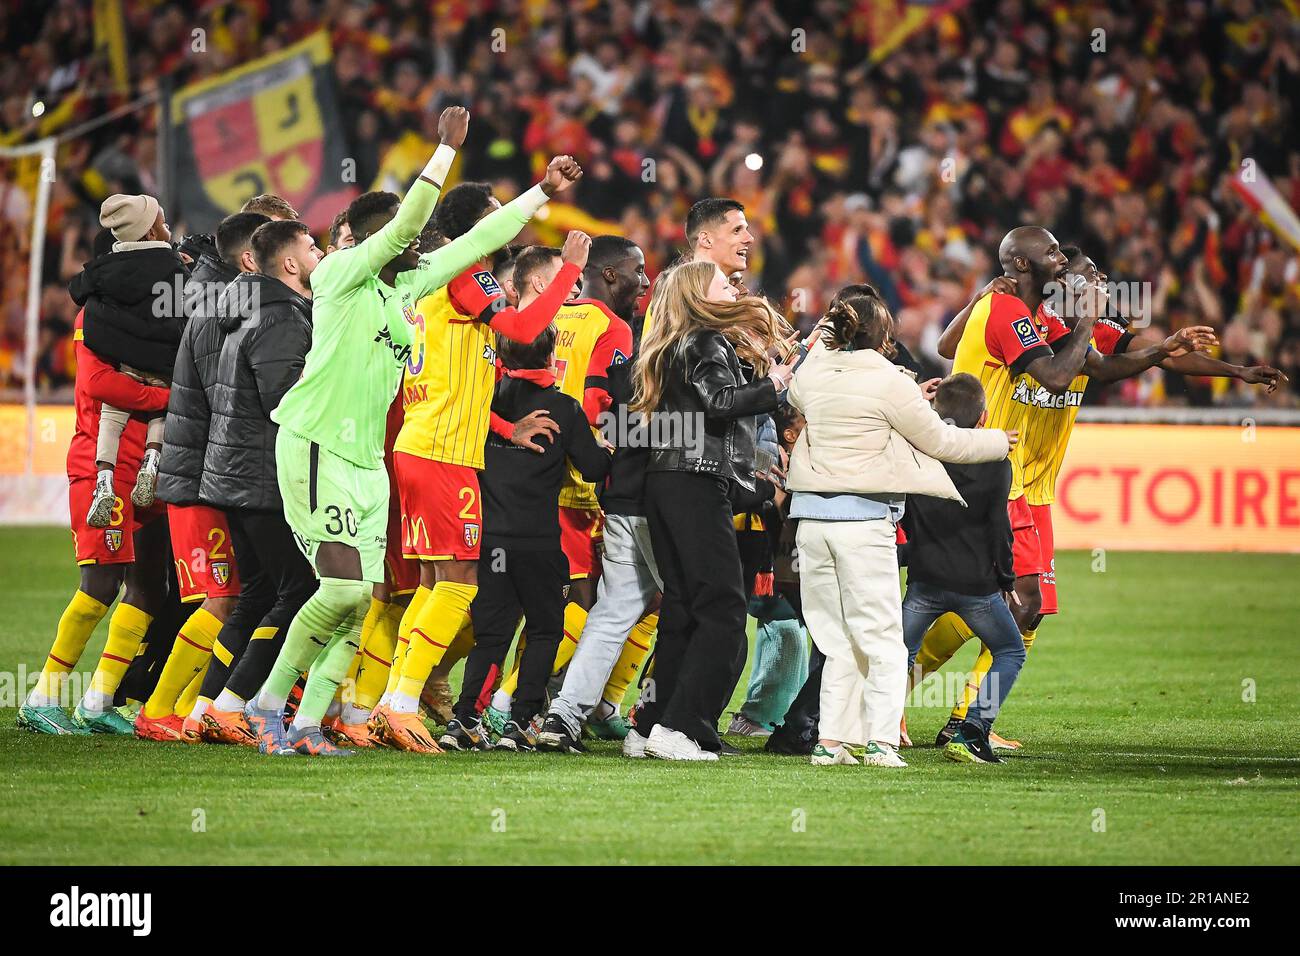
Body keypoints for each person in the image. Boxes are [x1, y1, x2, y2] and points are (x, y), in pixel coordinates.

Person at [248, 107, 578, 757]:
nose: (422, 244)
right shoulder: (338, 277)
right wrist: (444, 152)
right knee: (342, 589)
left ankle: (311, 723)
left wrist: (542, 193)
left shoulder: (406, 291)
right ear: (385, 240)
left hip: (370, 459)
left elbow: (477, 244)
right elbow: (408, 225)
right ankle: (265, 704)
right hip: (318, 444)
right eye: (409, 236)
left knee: (357, 602)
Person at [919, 240, 1222, 748]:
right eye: (1080, 272)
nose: (1094, 281)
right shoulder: (1019, 317)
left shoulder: (1069, 329)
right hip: (999, 475)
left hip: (1035, 488)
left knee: (1023, 609)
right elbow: (1055, 375)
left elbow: (1117, 363)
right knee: (1000, 603)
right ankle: (952, 717)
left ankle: (964, 718)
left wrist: (1227, 369)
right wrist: (983, 298)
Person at [371, 174, 586, 755]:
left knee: (434, 583)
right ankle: (399, 701)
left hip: (423, 444)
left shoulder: (433, 280)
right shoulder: (466, 274)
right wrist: (567, 269)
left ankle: (394, 699)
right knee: (460, 584)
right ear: (475, 227)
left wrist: (504, 426)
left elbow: (458, 374)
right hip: (441, 454)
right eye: (498, 214)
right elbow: (519, 328)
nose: (508, 224)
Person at [785, 288, 1013, 768]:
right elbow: (944, 442)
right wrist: (997, 441)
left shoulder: (812, 373)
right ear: (884, 335)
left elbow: (804, 382)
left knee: (835, 639)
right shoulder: (892, 382)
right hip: (863, 523)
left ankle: (831, 742)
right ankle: (881, 742)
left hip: (811, 523)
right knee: (884, 639)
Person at [624, 259, 795, 761]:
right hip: (697, 482)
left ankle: (651, 724)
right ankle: (683, 728)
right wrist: (775, 384)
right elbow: (720, 400)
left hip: (669, 480)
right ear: (701, 295)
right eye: (723, 283)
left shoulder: (674, 343)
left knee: (682, 608)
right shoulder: (704, 340)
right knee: (721, 609)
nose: (732, 286)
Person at [478, 237, 645, 736]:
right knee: (584, 604)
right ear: (611, 275)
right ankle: (516, 702)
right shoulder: (612, 328)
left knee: (516, 598)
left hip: (523, 478)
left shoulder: (541, 316)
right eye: (638, 270)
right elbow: (598, 402)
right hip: (580, 476)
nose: (645, 282)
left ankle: (494, 699)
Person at [17, 227, 173, 735]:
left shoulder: (150, 321)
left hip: (148, 468)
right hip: (101, 465)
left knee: (147, 584)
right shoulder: (96, 317)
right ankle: (41, 697)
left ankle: (98, 700)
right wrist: (168, 400)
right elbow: (98, 383)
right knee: (100, 583)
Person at [439, 324, 612, 751]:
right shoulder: (563, 409)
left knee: (492, 633)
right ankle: (522, 721)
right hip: (537, 542)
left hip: (490, 539)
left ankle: (463, 721)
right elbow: (592, 468)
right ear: (552, 356)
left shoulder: (485, 402)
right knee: (545, 629)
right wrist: (607, 449)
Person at [134, 210, 270, 742]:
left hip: (209, 473)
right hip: (201, 476)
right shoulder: (223, 313)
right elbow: (227, 401)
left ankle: (191, 707)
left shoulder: (220, 303)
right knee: (221, 598)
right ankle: (161, 708)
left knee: (229, 596)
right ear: (249, 259)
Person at [195, 219, 323, 750]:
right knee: (302, 590)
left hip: (237, 472)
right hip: (265, 477)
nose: (319, 251)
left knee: (257, 594)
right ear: (289, 264)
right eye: (311, 246)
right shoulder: (282, 318)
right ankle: (234, 705)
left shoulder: (250, 308)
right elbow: (284, 401)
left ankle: (207, 707)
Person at [898, 372, 1025, 764]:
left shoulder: (920, 453)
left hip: (924, 580)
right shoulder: (996, 463)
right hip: (977, 587)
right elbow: (998, 530)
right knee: (1010, 651)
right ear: (984, 419)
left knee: (894, 654)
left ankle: (875, 731)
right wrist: (1006, 577)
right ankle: (971, 731)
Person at [74, 194, 187, 528]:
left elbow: (78, 286)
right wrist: (170, 397)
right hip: (163, 367)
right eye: (162, 223)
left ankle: (103, 479)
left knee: (111, 418)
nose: (167, 229)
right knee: (161, 415)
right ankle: (152, 462)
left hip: (128, 364)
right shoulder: (171, 265)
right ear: (150, 233)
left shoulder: (104, 272)